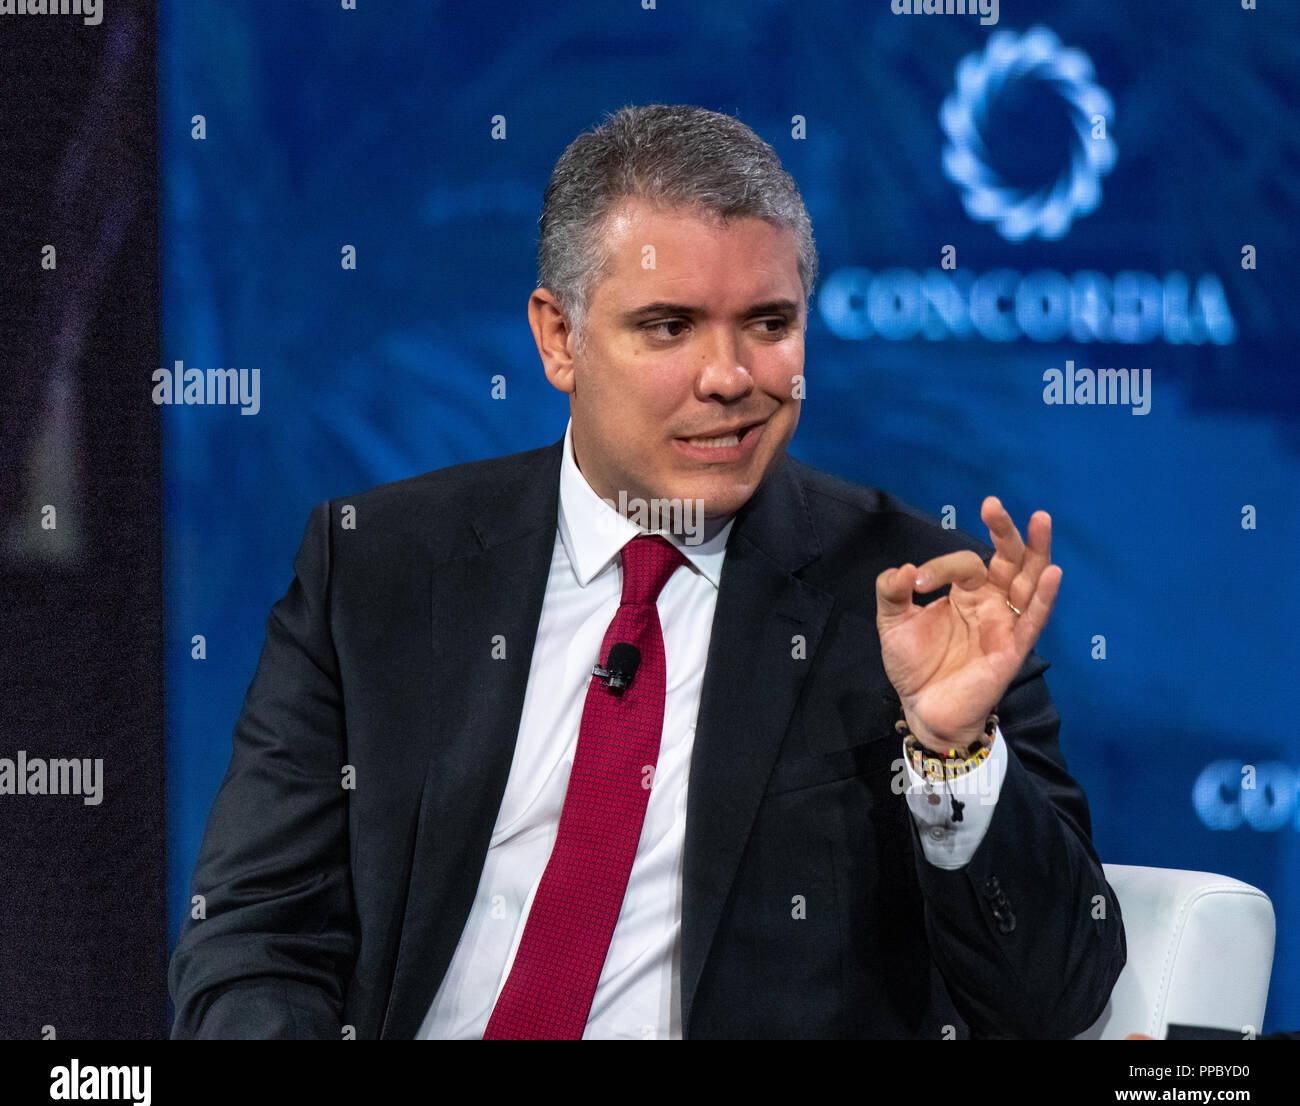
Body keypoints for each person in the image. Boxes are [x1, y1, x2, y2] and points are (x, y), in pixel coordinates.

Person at [169, 103, 1125, 1039]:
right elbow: (256, 936)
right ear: (559, 339)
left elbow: (1054, 999)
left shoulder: (919, 594)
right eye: (670, 326)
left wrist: (953, 752)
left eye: (768, 322)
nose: (730, 376)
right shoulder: (377, 566)